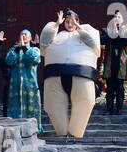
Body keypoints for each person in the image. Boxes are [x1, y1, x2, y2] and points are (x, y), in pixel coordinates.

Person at [40, 9, 101, 138]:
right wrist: (56, 24)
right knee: (52, 106)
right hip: (55, 74)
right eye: (67, 22)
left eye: (73, 21)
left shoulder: (87, 31)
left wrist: (79, 27)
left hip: (81, 74)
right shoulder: (56, 34)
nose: (70, 24)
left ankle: (75, 134)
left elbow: (95, 46)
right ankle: (62, 133)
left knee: (86, 101)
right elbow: (43, 46)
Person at [4, 29, 42, 130]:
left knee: (32, 106)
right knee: (15, 107)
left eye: (26, 34)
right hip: (15, 86)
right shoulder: (13, 51)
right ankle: (14, 129)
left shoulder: (35, 50)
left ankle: (34, 129)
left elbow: (34, 58)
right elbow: (9, 61)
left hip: (30, 86)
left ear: (30, 38)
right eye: (22, 34)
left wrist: (24, 48)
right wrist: (18, 49)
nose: (23, 36)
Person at [101, 12, 127, 116]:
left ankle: (119, 109)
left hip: (121, 63)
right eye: (115, 17)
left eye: (119, 17)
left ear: (122, 20)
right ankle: (109, 108)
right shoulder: (106, 31)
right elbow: (102, 40)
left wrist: (117, 34)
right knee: (109, 87)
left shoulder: (126, 31)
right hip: (110, 63)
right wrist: (111, 33)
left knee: (119, 87)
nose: (117, 19)